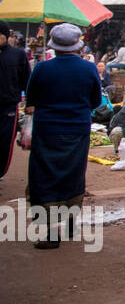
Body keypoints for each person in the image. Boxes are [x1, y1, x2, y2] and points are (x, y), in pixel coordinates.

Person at [23, 24, 102, 248]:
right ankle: (69, 223)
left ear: (53, 46)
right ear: (78, 44)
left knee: (45, 175)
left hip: (47, 130)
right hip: (77, 129)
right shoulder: (88, 68)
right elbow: (95, 100)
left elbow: (31, 99)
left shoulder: (42, 68)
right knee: (73, 173)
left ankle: (50, 232)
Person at [0, 22, 32, 179]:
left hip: (8, 107)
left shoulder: (17, 55)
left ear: (6, 36)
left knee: (5, 142)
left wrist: (30, 102)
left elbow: (27, 80)